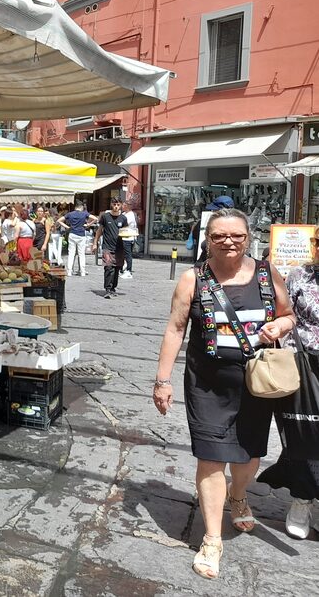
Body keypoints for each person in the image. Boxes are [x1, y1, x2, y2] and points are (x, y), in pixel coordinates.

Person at [154, 208, 295, 580]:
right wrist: (162, 380)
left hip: (257, 383)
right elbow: (175, 329)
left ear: (248, 238)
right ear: (208, 239)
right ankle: (212, 539)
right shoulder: (192, 278)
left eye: (236, 235)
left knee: (249, 455)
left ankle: (239, 495)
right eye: (219, 236)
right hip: (207, 384)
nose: (228, 242)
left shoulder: (266, 273)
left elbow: (288, 314)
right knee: (211, 458)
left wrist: (280, 325)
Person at [256, 224, 319, 539]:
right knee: (304, 434)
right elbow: (282, 314)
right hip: (304, 366)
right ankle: (302, 498)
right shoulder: (299, 276)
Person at [93, 198, 128, 298]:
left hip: (119, 247)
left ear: (121, 205)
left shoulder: (123, 218)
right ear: (111, 204)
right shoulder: (105, 217)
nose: (116, 206)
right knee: (108, 267)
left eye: (118, 204)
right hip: (107, 246)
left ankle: (113, 288)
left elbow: (126, 231)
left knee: (117, 268)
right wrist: (95, 243)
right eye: (114, 204)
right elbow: (99, 230)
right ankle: (107, 289)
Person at [58, 201, 97, 277]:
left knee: (71, 254)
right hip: (81, 235)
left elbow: (59, 220)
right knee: (81, 254)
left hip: (72, 234)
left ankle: (69, 271)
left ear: (75, 207)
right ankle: (82, 271)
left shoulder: (70, 214)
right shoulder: (84, 214)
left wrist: (67, 227)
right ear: (81, 207)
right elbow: (95, 218)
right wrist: (88, 225)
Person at [120, 201, 137, 279]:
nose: (122, 206)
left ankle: (128, 271)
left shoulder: (130, 215)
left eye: (123, 205)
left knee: (128, 254)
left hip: (128, 237)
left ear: (127, 206)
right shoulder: (124, 214)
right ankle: (122, 268)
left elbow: (123, 224)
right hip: (123, 237)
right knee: (122, 254)